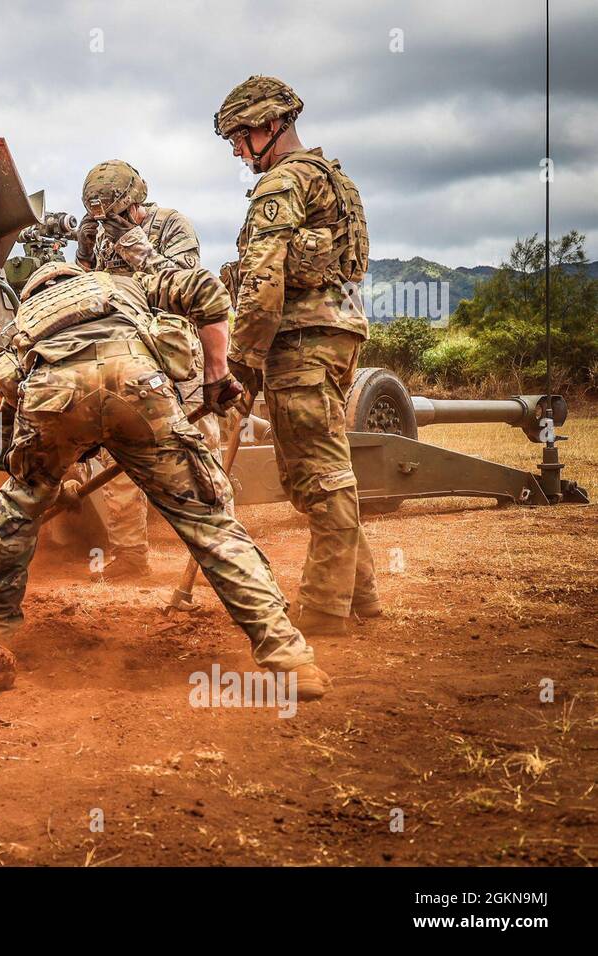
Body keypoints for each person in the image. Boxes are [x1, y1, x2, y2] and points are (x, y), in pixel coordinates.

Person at [0, 261, 329, 698]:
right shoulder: (124, 283)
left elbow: (12, 416)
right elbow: (207, 289)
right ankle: (287, 656)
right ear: (77, 276)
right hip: (141, 386)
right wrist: (217, 375)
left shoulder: (20, 323)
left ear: (34, 291)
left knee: (18, 510)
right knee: (207, 521)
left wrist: (44, 480)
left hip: (53, 393)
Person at [214, 75, 381, 636]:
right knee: (326, 470)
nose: (238, 150)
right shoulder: (336, 180)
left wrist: (239, 362)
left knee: (317, 478)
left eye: (239, 137)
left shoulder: (281, 185)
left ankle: (325, 613)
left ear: (267, 125)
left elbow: (262, 280)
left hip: (302, 342)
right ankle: (363, 597)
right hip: (337, 337)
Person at [74, 160, 214, 580]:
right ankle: (131, 554)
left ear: (134, 201)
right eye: (99, 215)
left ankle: (215, 554)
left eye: (113, 212)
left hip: (177, 353)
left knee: (199, 452)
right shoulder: (101, 237)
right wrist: (84, 250)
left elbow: (182, 284)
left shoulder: (171, 223)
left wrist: (130, 240)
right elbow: (93, 293)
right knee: (120, 451)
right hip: (129, 357)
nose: (108, 222)